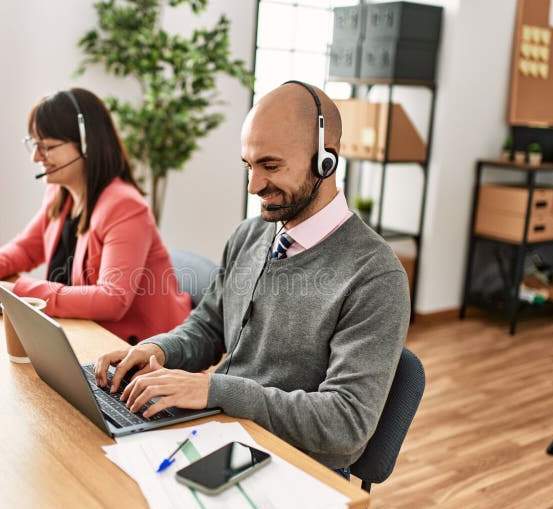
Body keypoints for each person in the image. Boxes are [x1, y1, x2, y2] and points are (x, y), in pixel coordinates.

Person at [94, 81, 410, 475]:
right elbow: (209, 327)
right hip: (224, 431)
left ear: (326, 158)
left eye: (271, 166)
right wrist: (157, 351)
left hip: (294, 467)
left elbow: (345, 426)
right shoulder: (251, 235)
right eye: (249, 165)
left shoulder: (374, 276)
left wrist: (214, 390)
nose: (254, 186)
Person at [0, 88, 191, 345]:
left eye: (47, 146)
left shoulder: (125, 207)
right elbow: (28, 246)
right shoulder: (61, 193)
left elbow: (112, 300)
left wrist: (19, 292)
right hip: (84, 333)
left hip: (139, 348)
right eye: (34, 145)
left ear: (86, 145)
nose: (36, 157)